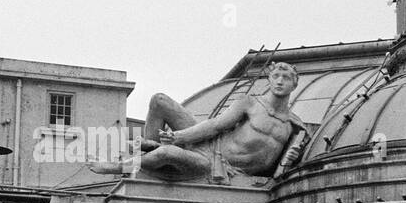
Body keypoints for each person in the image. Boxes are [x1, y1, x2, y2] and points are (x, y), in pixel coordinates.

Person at [93, 62, 305, 182]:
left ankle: (118, 166)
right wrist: (178, 137)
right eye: (276, 75)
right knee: (159, 101)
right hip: (211, 144)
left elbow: (279, 174)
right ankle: (147, 156)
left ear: (294, 84)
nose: (279, 81)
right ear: (269, 79)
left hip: (218, 166)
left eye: (286, 78)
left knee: (168, 153)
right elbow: (215, 126)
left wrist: (291, 160)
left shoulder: (295, 127)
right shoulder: (249, 103)